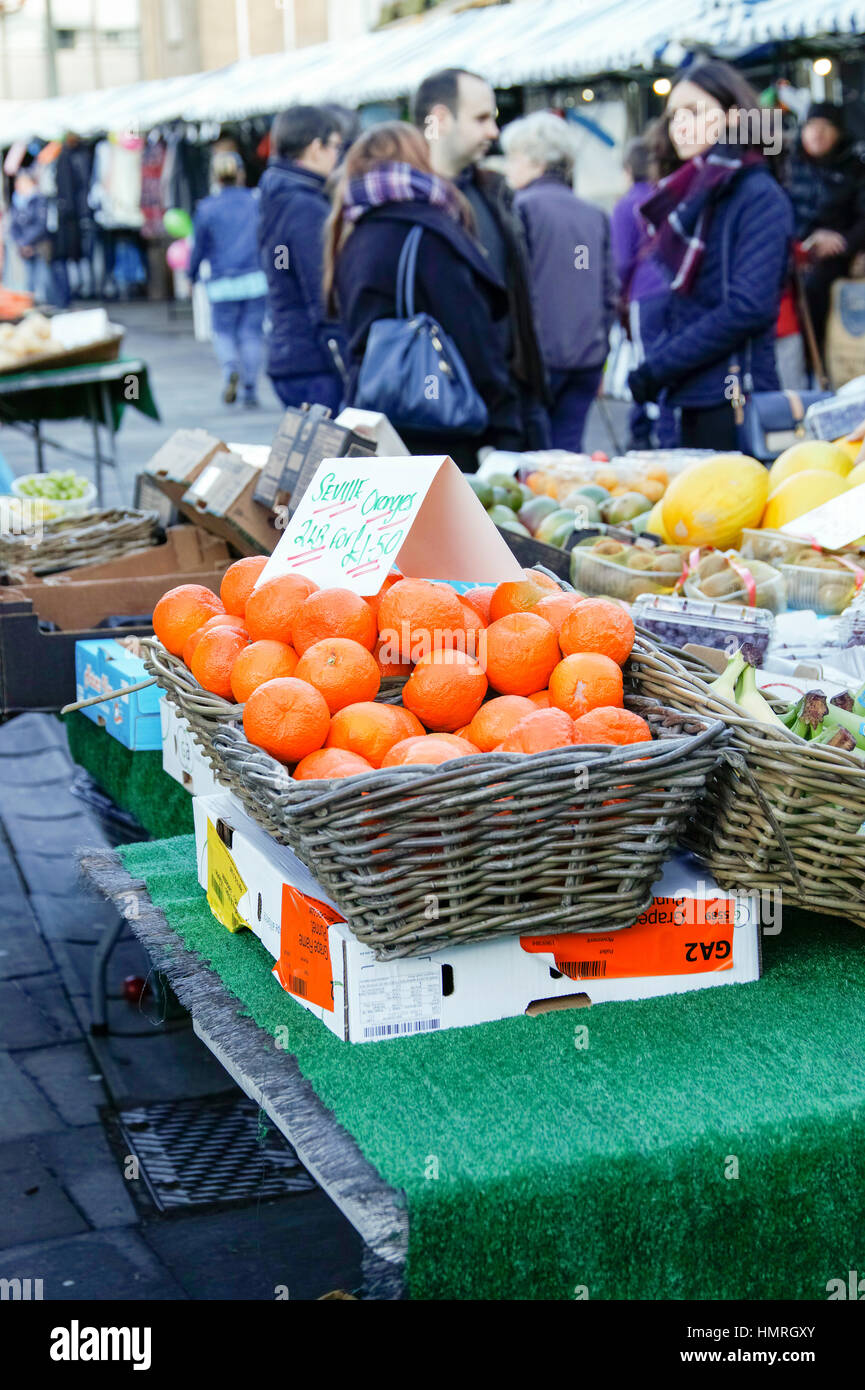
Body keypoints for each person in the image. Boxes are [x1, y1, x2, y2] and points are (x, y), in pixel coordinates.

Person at [324, 121, 523, 471]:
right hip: (437, 427)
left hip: (374, 421)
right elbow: (471, 333)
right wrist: (504, 421)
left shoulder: (352, 232)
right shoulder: (429, 231)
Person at [628, 59, 793, 451]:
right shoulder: (694, 195)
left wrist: (659, 367)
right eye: (673, 116)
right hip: (686, 395)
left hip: (735, 398)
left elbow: (747, 307)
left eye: (695, 112)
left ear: (733, 117)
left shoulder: (757, 194)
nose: (680, 126)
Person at [413, 68, 550, 449]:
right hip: (437, 427)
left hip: (509, 414)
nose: (494, 132)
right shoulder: (400, 206)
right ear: (440, 120)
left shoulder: (494, 194)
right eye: (481, 118)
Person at [501, 111, 616, 452]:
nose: (508, 168)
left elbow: (513, 291)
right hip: (586, 359)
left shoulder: (519, 208)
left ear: (535, 160)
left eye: (513, 157)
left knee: (530, 465)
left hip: (536, 364)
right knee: (567, 459)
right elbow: (610, 294)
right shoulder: (593, 214)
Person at [257, 105, 347, 413]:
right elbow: (322, 291)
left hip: (291, 353)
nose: (338, 155)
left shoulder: (278, 194)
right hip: (313, 361)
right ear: (315, 147)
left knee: (315, 457)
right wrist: (343, 360)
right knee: (331, 458)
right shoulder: (304, 206)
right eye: (335, 145)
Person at [610, 136, 678, 449]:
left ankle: (647, 435)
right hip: (676, 290)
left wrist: (617, 297)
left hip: (645, 293)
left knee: (645, 363)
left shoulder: (626, 205)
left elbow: (621, 260)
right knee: (671, 359)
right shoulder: (668, 196)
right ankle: (669, 429)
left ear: (626, 169)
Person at [784, 102, 865, 354]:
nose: (817, 133)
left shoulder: (855, 167)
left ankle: (816, 360)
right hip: (792, 248)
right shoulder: (787, 163)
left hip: (837, 254)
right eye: (812, 126)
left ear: (839, 132)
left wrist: (843, 243)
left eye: (826, 127)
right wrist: (805, 241)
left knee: (815, 285)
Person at [189, 151, 267, 407]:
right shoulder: (256, 202)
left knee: (222, 331)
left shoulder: (206, 207)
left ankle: (230, 368)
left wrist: (191, 275)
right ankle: (250, 388)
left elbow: (198, 248)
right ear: (241, 173)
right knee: (251, 334)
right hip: (255, 278)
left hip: (222, 281)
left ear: (215, 177)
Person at [8, 171, 50, 300]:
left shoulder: (39, 199)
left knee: (41, 280)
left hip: (38, 246)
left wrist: (27, 241)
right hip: (23, 248)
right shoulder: (17, 201)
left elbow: (41, 225)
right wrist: (21, 243)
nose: (18, 186)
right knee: (25, 283)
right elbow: (13, 225)